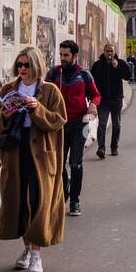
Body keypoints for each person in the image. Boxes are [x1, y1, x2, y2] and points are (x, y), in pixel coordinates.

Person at [0, 46, 67, 272]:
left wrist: (36, 108)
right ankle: (28, 247)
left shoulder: (50, 91)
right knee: (19, 202)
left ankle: (36, 255)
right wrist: (8, 112)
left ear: (37, 66)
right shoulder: (8, 89)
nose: (22, 69)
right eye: (19, 65)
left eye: (27, 65)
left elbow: (58, 120)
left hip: (41, 156)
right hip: (16, 153)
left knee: (38, 200)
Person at [47, 39, 99, 216]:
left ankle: (75, 201)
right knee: (59, 165)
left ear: (75, 56)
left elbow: (96, 95)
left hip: (80, 125)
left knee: (75, 164)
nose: (62, 58)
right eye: (61, 55)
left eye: (66, 55)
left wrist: (93, 105)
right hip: (58, 125)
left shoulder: (84, 74)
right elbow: (43, 93)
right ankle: (65, 189)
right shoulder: (54, 73)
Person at [91, 41, 128, 158]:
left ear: (114, 52)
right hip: (103, 100)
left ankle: (114, 147)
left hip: (116, 99)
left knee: (116, 124)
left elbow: (128, 76)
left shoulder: (120, 63)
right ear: (104, 52)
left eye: (111, 51)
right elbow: (91, 81)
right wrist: (93, 97)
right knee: (102, 124)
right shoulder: (97, 65)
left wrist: (117, 67)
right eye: (107, 51)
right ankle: (101, 148)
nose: (109, 53)